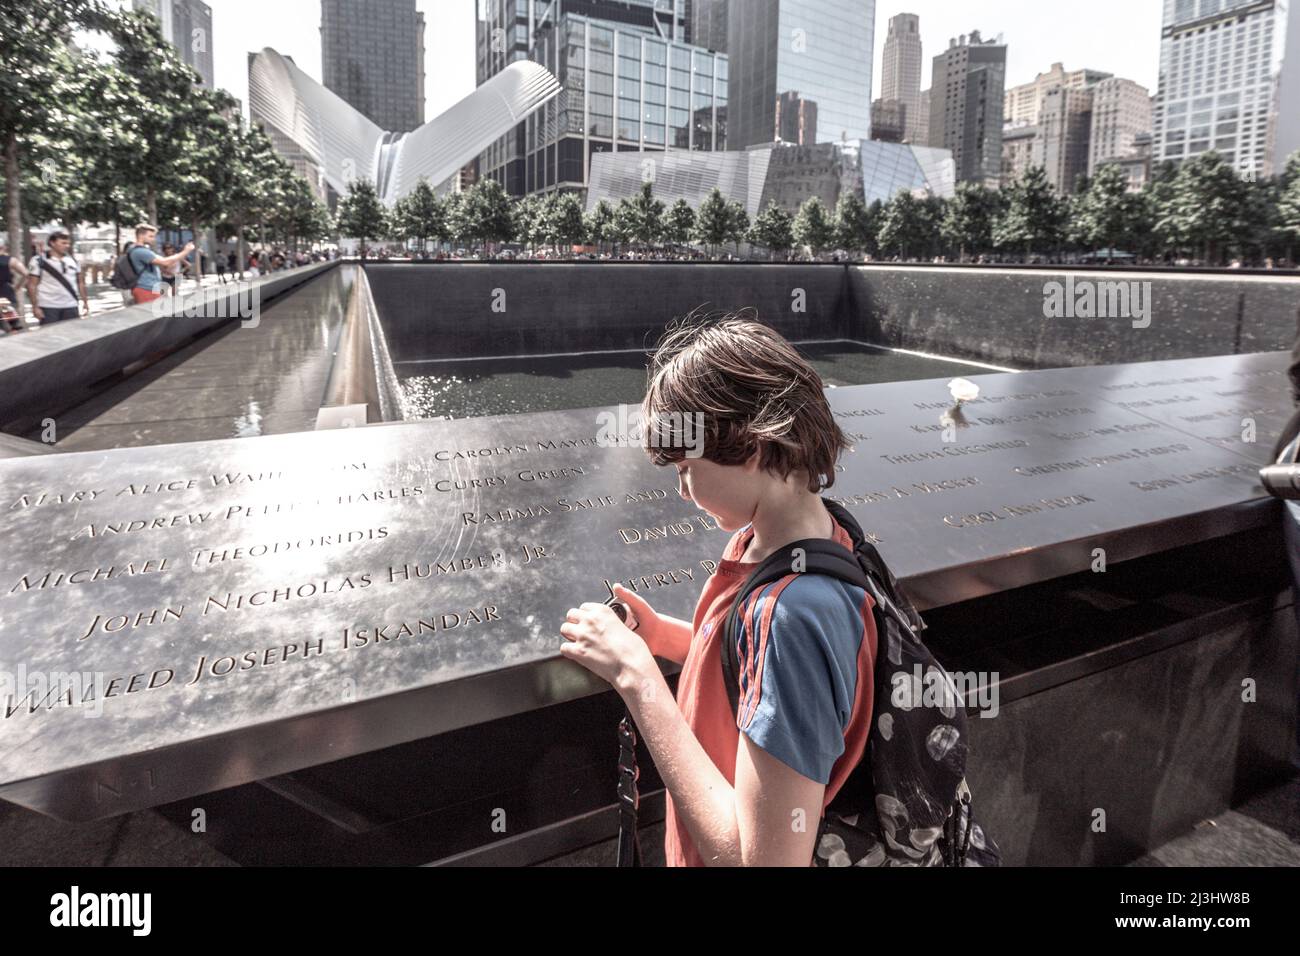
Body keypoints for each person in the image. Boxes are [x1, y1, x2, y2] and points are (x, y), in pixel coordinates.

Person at [559, 314, 883, 867]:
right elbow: (751, 679)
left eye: (686, 467)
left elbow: (761, 860)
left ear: (752, 447)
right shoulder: (812, 535)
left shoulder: (795, 617)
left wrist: (636, 676)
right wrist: (662, 636)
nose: (682, 490)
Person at [27, 230, 88, 326]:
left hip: (71, 305)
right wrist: (35, 306)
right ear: (52, 243)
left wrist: (85, 302)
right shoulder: (38, 261)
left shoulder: (73, 261)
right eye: (63, 243)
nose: (67, 246)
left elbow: (80, 282)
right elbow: (32, 285)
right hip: (48, 306)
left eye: (68, 243)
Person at [122, 223, 193, 304]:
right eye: (150, 236)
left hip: (148, 288)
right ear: (141, 236)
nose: (153, 239)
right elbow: (165, 262)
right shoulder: (140, 251)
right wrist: (186, 251)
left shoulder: (139, 250)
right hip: (146, 288)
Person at [0, 243, 28, 326]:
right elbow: (26, 274)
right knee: (12, 325)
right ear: (3, 247)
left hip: (6, 296)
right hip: (7, 296)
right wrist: (17, 287)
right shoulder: (10, 260)